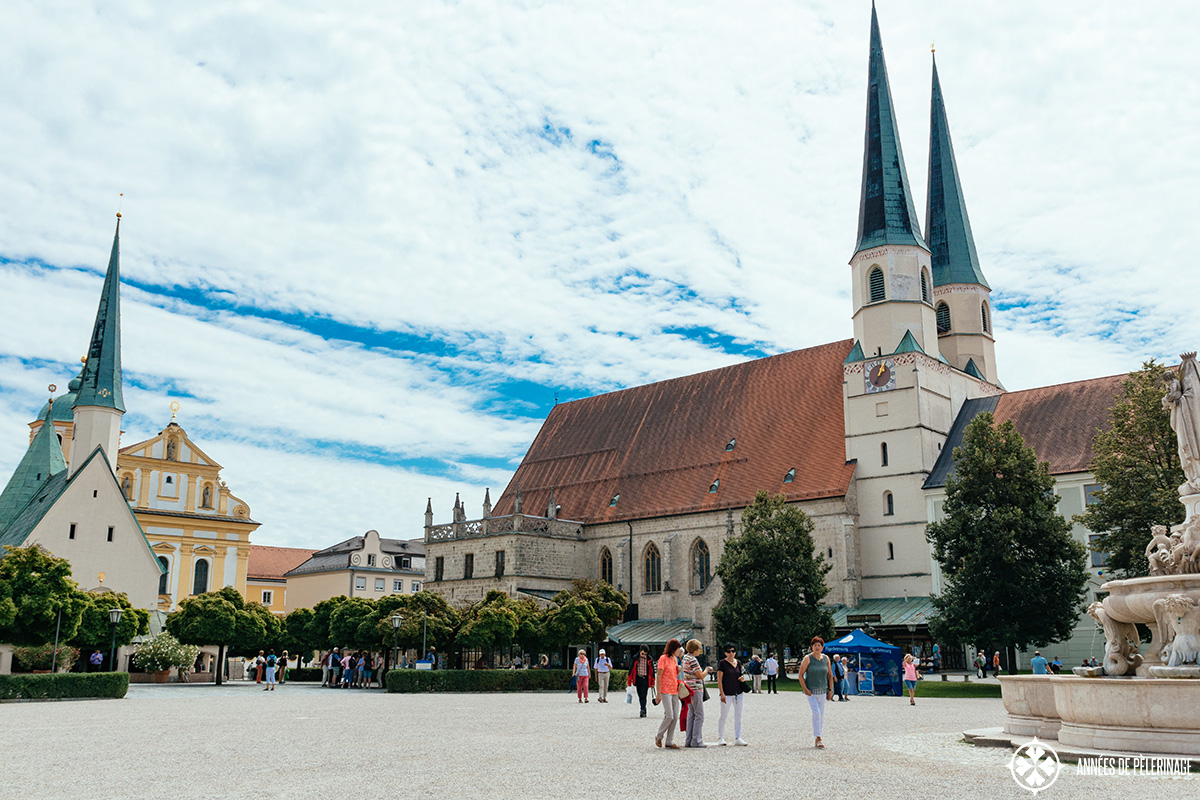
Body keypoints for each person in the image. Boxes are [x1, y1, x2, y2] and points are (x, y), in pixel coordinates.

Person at [798, 636, 834, 749]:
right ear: (812, 647)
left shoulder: (826, 658)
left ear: (822, 647)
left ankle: (818, 736)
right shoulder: (808, 658)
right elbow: (800, 675)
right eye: (815, 645)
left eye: (819, 645)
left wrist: (830, 690)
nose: (817, 647)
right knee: (816, 712)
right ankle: (818, 737)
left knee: (821, 715)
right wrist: (805, 689)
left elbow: (830, 675)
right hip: (811, 691)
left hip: (823, 690)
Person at [715, 643, 749, 746]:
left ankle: (738, 737)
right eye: (729, 651)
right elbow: (719, 680)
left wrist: (742, 679)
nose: (731, 653)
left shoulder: (738, 662)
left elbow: (739, 675)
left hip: (738, 692)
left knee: (738, 716)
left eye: (733, 651)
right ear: (725, 653)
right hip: (727, 693)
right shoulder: (722, 663)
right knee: (723, 715)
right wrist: (722, 693)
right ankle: (721, 737)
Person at [681, 639, 711, 748]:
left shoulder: (685, 658)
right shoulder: (693, 660)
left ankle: (688, 740)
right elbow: (700, 675)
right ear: (694, 649)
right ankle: (697, 740)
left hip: (688, 689)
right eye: (699, 648)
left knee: (691, 715)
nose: (700, 650)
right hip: (696, 689)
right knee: (699, 715)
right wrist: (707, 670)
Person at [655, 639, 683, 749]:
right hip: (665, 690)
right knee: (669, 715)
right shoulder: (663, 659)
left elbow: (673, 674)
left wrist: (678, 670)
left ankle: (669, 741)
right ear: (673, 649)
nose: (679, 651)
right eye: (678, 649)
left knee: (675, 717)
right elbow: (659, 676)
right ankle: (659, 735)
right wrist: (658, 693)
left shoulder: (675, 659)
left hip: (674, 690)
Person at [630, 646, 656, 717]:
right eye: (643, 652)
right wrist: (630, 679)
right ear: (641, 651)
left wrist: (653, 681)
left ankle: (643, 709)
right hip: (638, 678)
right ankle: (643, 708)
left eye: (645, 653)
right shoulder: (635, 658)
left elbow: (652, 670)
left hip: (646, 679)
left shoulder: (649, 659)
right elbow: (631, 668)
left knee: (644, 695)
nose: (644, 654)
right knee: (639, 695)